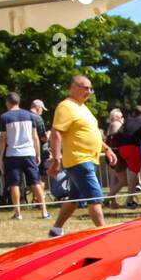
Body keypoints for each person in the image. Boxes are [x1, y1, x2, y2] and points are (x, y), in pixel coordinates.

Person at [48, 75, 117, 237]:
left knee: (75, 197)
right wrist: (56, 158)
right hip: (78, 160)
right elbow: (56, 132)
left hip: (88, 159)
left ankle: (56, 229)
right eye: (85, 87)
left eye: (90, 88)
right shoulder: (66, 106)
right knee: (95, 197)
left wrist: (107, 149)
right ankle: (103, 232)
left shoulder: (84, 108)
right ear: (73, 87)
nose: (89, 91)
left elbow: (91, 134)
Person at [0, 92, 47, 220]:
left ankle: (18, 213)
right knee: (35, 182)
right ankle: (44, 211)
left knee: (14, 184)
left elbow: (3, 139)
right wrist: (38, 153)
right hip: (29, 152)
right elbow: (35, 136)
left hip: (12, 154)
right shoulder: (30, 115)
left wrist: (0, 158)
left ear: (8, 102)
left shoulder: (4, 117)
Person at [115, 104, 141, 207]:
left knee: (130, 172)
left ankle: (129, 197)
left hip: (122, 148)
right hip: (133, 148)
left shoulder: (128, 119)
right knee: (133, 174)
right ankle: (129, 200)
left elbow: (119, 131)